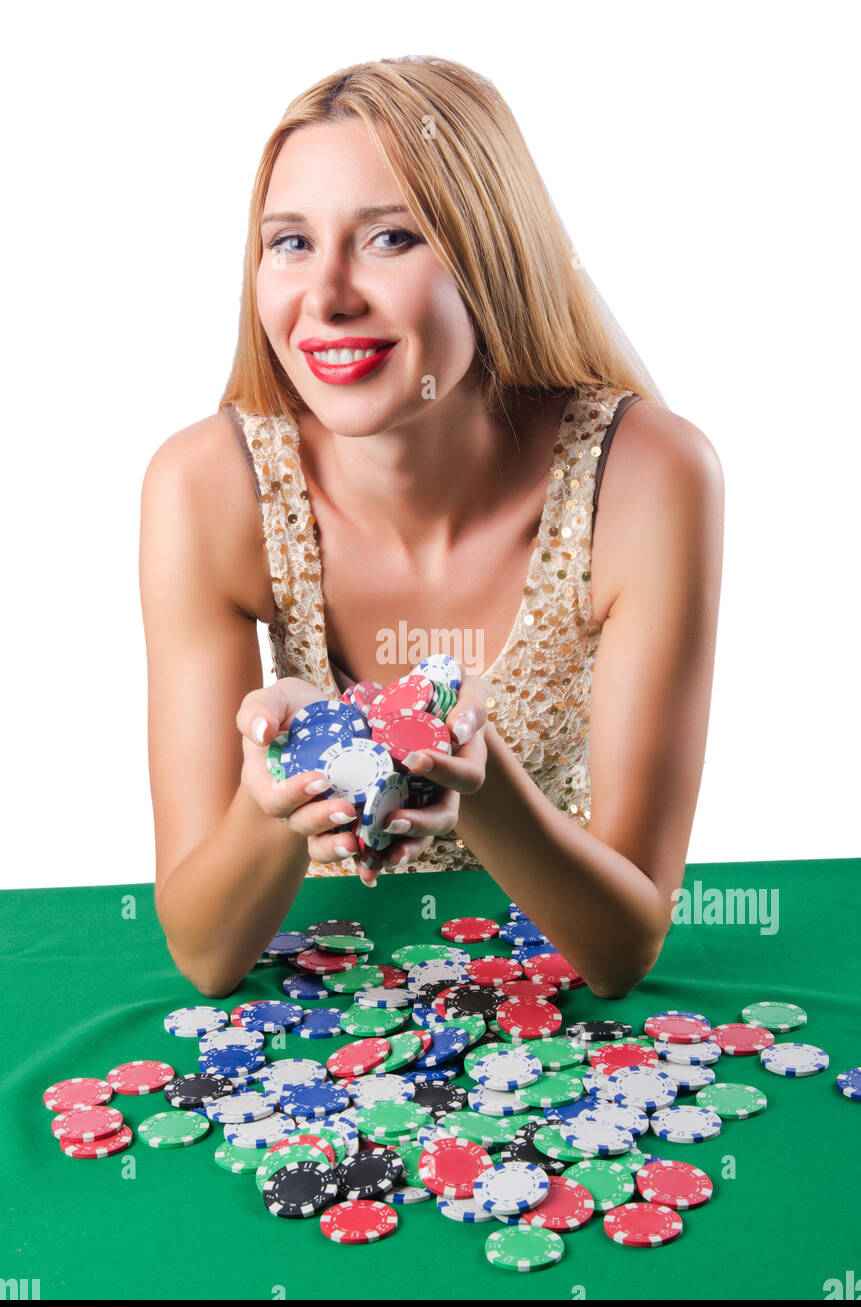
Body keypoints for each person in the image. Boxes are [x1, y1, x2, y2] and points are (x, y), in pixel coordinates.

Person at [139, 55, 724, 1000]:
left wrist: (480, 789)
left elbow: (622, 951)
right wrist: (268, 804)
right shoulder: (205, 486)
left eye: (390, 238)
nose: (325, 297)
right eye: (289, 243)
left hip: (542, 984)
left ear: (493, 255)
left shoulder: (650, 475)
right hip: (327, 990)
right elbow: (205, 957)